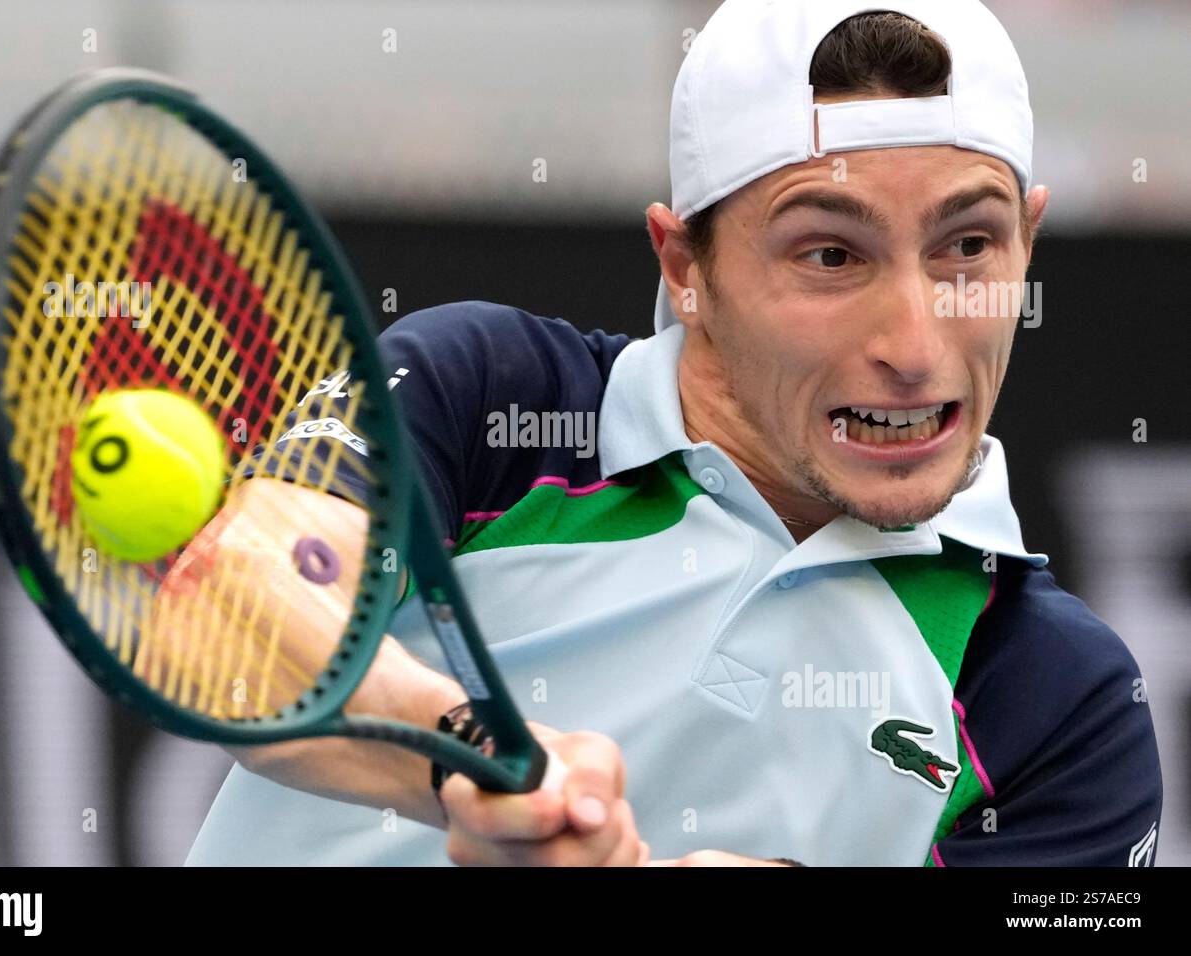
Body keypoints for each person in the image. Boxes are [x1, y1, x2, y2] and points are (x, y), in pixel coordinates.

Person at [186, 0, 1162, 866]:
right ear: (684, 264)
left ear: (1027, 242)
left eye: (966, 246)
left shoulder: (1060, 705)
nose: (914, 345)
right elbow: (237, 602)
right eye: (829, 253)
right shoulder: (481, 392)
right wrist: (471, 758)